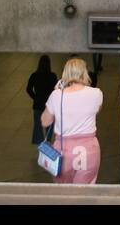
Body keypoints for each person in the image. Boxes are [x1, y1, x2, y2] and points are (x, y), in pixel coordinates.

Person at [40, 56, 104, 184]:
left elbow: (45, 121)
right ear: (85, 72)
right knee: (83, 194)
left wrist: (56, 91)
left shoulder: (57, 95)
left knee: (64, 194)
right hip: (88, 150)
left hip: (63, 151)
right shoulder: (96, 93)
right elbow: (97, 110)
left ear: (65, 74)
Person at [25, 55, 58, 145]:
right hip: (49, 105)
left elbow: (28, 89)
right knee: (49, 125)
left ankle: (39, 143)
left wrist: (35, 97)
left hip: (38, 104)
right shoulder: (52, 76)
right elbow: (56, 90)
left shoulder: (34, 75)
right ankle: (47, 141)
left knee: (38, 126)